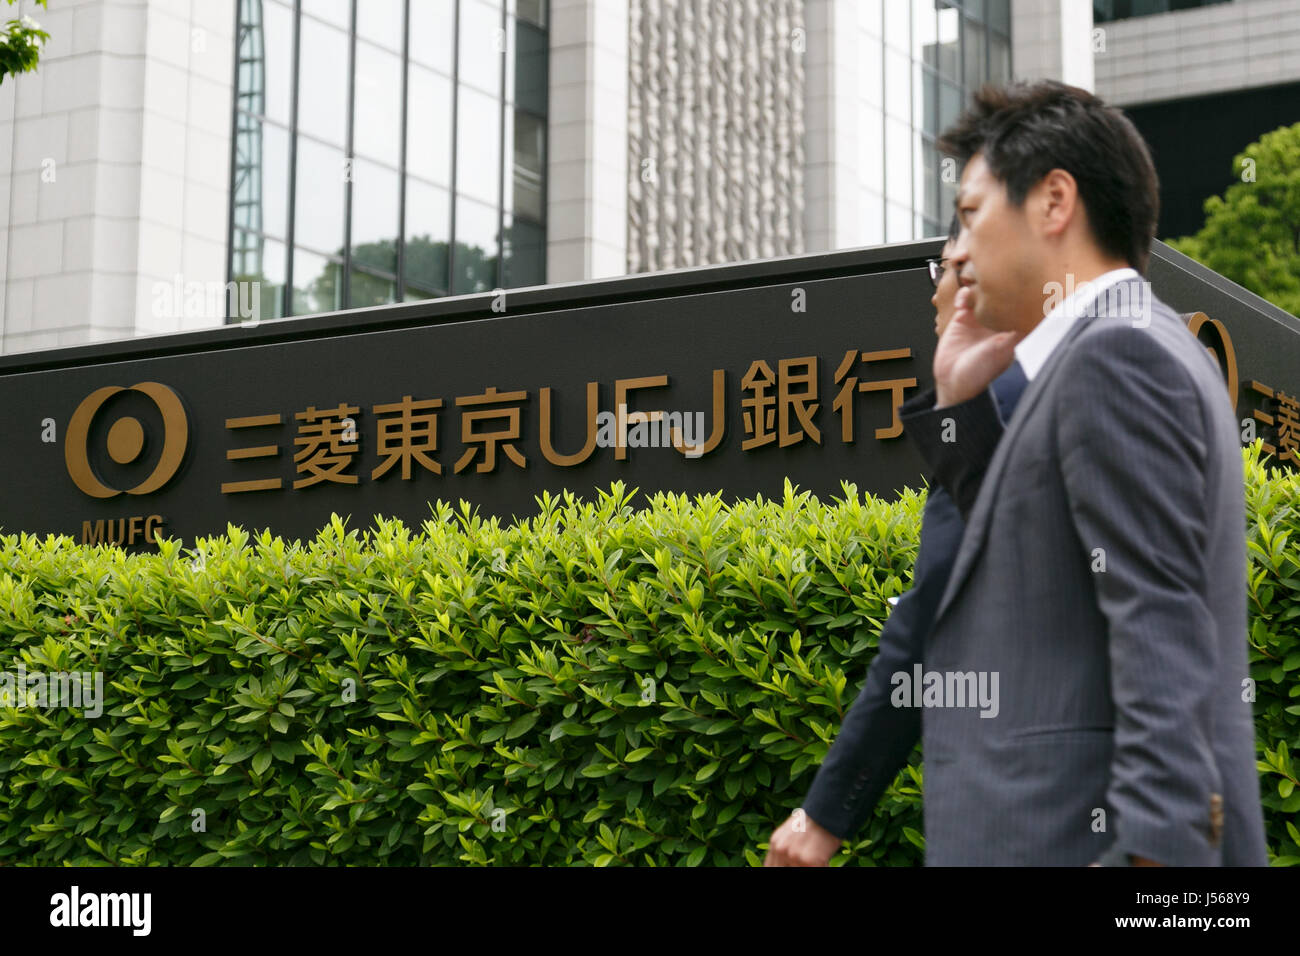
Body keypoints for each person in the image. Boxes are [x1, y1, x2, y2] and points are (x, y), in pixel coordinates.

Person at [895, 80, 1264, 865]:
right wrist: (961, 406)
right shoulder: (1125, 344)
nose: (958, 251)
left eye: (970, 212)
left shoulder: (1116, 355)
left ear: (1054, 201)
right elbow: (1038, 572)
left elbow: (1162, 637)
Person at [763, 215, 1028, 866]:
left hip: (1021, 812)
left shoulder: (995, 408)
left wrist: (821, 816)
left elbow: (923, 628)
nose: (933, 292)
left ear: (970, 281)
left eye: (941, 271)